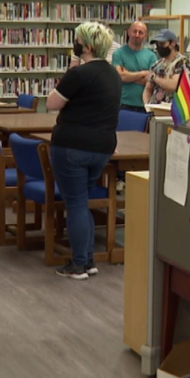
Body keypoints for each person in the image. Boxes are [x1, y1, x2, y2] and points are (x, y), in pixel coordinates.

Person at [46, 21, 121, 280]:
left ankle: (79, 263)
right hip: (102, 146)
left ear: (87, 46)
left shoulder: (78, 74)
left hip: (73, 145)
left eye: (77, 40)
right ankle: (88, 260)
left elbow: (51, 103)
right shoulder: (112, 74)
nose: (75, 44)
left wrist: (69, 73)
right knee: (83, 202)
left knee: (75, 203)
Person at [111, 21, 156, 112]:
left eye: (140, 32)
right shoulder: (119, 54)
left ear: (146, 35)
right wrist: (144, 73)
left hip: (145, 105)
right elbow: (121, 76)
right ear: (128, 32)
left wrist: (129, 75)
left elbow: (152, 81)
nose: (137, 35)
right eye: (134, 31)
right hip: (123, 104)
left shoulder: (151, 56)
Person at [142, 29, 190, 106]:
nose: (158, 47)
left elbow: (174, 85)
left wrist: (155, 77)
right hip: (155, 110)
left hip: (173, 110)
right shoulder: (157, 64)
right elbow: (148, 89)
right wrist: (147, 104)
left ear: (173, 43)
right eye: (157, 44)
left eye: (162, 44)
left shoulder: (182, 62)